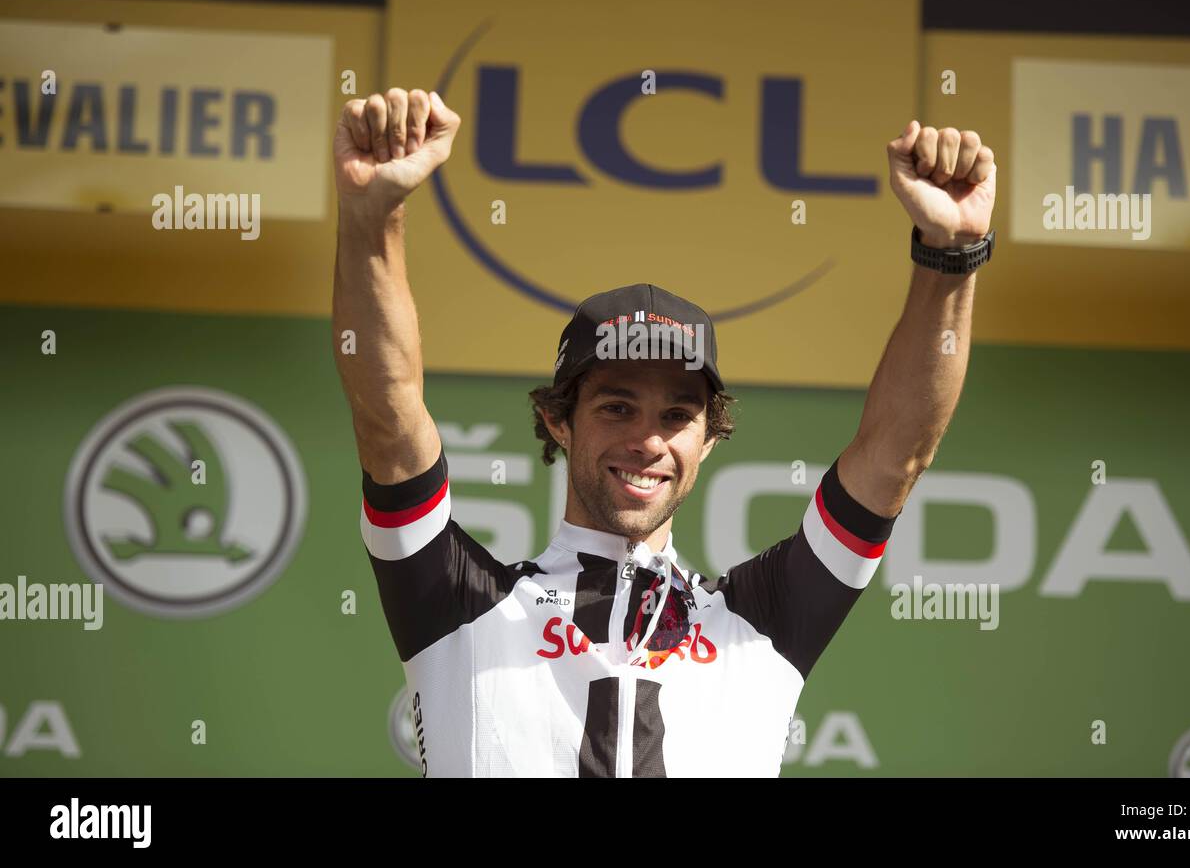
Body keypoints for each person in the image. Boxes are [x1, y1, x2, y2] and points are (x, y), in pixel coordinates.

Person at [331, 88, 997, 777]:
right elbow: (389, 418)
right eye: (617, 407)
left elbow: (897, 455)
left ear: (709, 439)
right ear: (557, 420)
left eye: (677, 415)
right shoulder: (457, 603)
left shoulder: (766, 619)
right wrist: (372, 216)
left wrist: (949, 254)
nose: (648, 439)